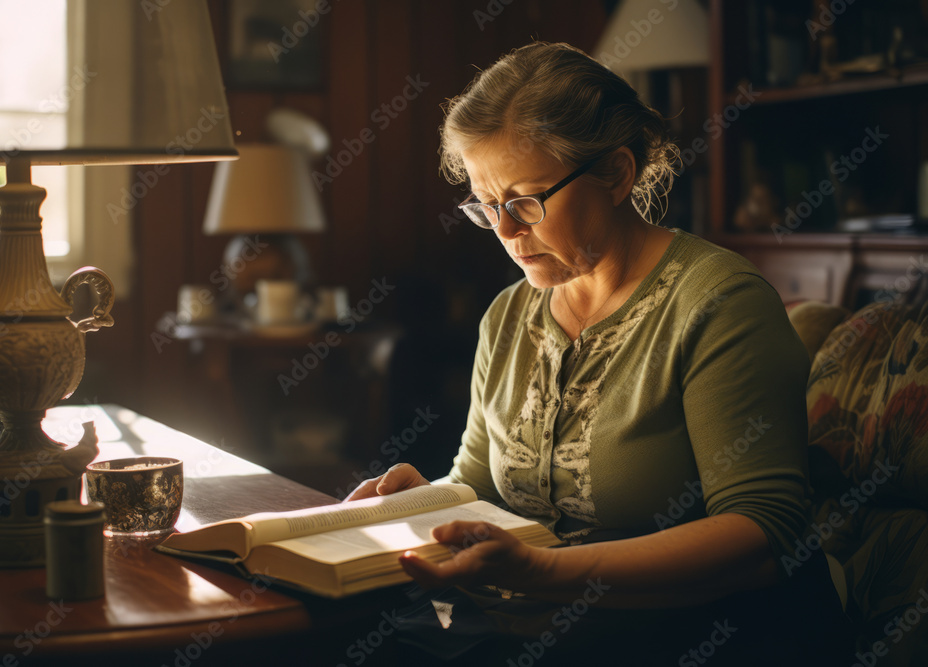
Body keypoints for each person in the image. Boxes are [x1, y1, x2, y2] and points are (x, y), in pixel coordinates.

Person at [345, 42, 851, 666]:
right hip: (526, 626)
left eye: (526, 201)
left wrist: (543, 572)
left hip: (690, 635)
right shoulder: (508, 316)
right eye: (486, 205)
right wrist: (425, 501)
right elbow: (479, 482)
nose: (505, 230)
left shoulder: (719, 305)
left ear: (616, 174)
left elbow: (763, 531)